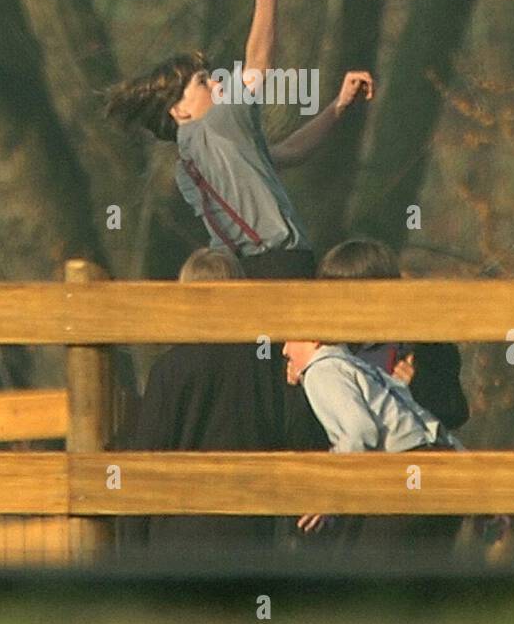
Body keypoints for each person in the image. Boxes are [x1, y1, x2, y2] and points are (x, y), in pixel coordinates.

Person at [104, 0, 373, 280]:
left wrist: (336, 107)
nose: (216, 82)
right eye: (202, 82)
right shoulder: (217, 124)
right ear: (179, 110)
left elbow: (290, 151)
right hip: (280, 264)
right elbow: (258, 63)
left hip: (239, 275)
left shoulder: (190, 163)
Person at [118, 249, 328, 558]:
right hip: (250, 533)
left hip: (177, 536)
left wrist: (130, 549)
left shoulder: (171, 367)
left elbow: (146, 457)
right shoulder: (269, 362)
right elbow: (297, 437)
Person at [282, 336, 464, 555]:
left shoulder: (322, 370)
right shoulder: (363, 369)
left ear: (315, 341)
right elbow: (430, 428)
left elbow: (360, 432)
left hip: (403, 475)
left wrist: (328, 490)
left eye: (291, 341)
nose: (284, 350)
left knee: (369, 571)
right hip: (440, 471)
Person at [317, 238, 470, 431]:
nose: (338, 306)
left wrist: (417, 386)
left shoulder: (424, 346)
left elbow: (455, 413)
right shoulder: (321, 344)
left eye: (349, 295)